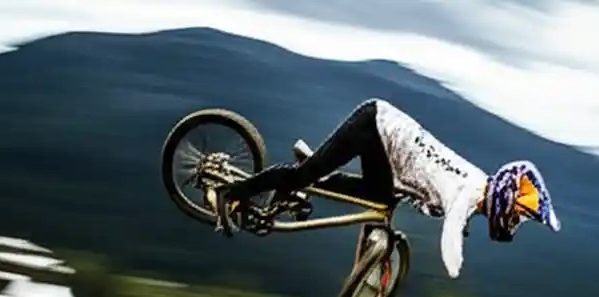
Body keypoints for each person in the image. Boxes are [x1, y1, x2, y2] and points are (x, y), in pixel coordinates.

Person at [213, 98, 562, 279]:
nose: (515, 221)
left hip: (388, 143)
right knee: (308, 177)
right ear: (504, 197)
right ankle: (234, 194)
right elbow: (451, 232)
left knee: (379, 197)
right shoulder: (469, 193)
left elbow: (430, 195)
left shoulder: (476, 186)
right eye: (518, 214)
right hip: (376, 125)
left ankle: (313, 173)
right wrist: (454, 268)